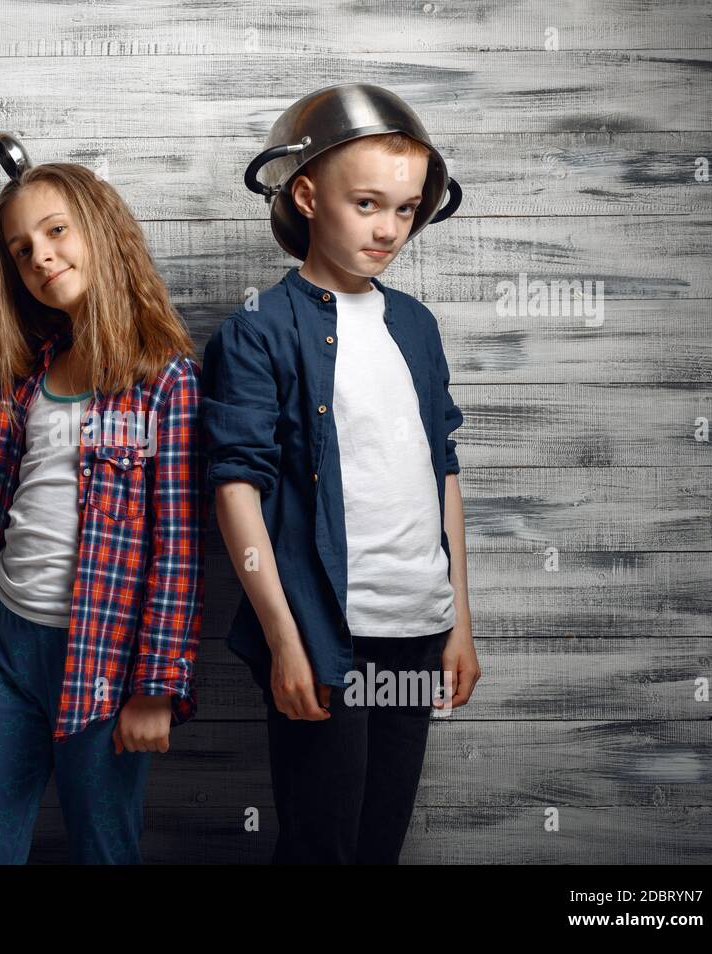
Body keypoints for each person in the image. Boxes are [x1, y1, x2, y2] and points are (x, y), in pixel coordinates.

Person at [0, 162, 205, 864]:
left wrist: (157, 687)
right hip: (7, 643)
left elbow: (177, 548)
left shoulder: (165, 379)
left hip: (103, 655)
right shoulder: (30, 382)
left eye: (55, 231)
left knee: (104, 848)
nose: (40, 257)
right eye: (21, 249)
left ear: (102, 230)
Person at [202, 84, 482, 864]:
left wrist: (458, 621)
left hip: (418, 631)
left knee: (377, 842)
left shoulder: (417, 327)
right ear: (306, 194)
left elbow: (443, 472)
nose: (389, 228)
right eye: (367, 203)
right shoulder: (259, 330)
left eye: (405, 208)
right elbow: (236, 491)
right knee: (320, 842)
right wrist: (283, 639)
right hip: (328, 638)